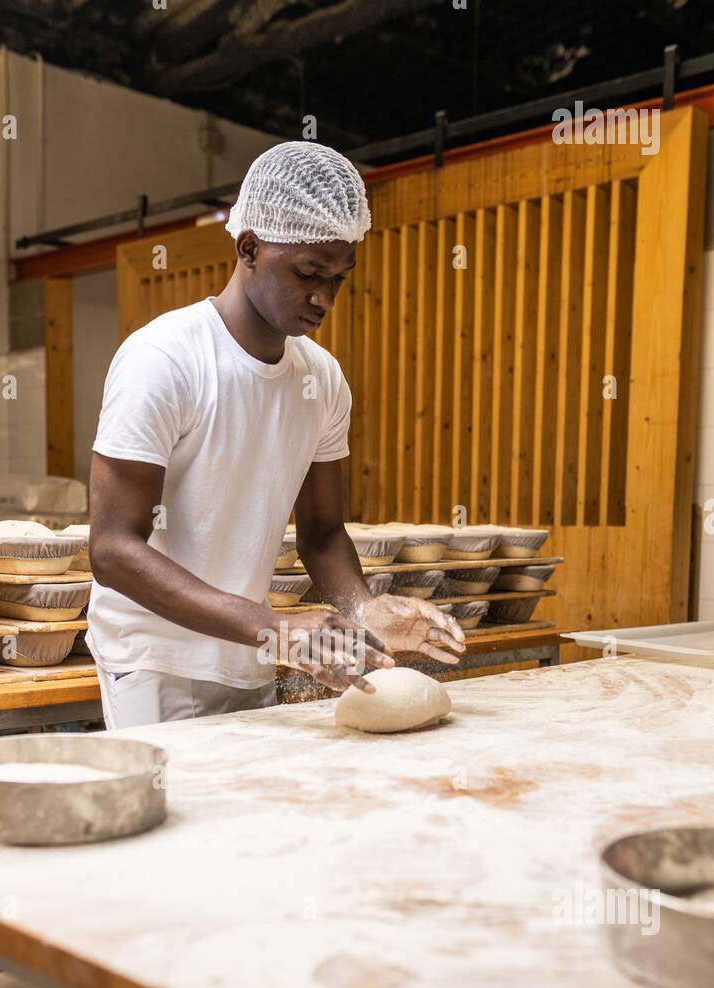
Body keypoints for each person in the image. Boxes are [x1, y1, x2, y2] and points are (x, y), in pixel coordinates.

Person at [87, 141, 465, 729]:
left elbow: (321, 532)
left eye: (339, 278)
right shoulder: (165, 359)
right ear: (249, 247)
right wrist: (276, 627)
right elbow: (113, 548)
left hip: (254, 653)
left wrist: (363, 610)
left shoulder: (322, 379)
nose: (324, 298)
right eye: (308, 272)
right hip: (156, 661)